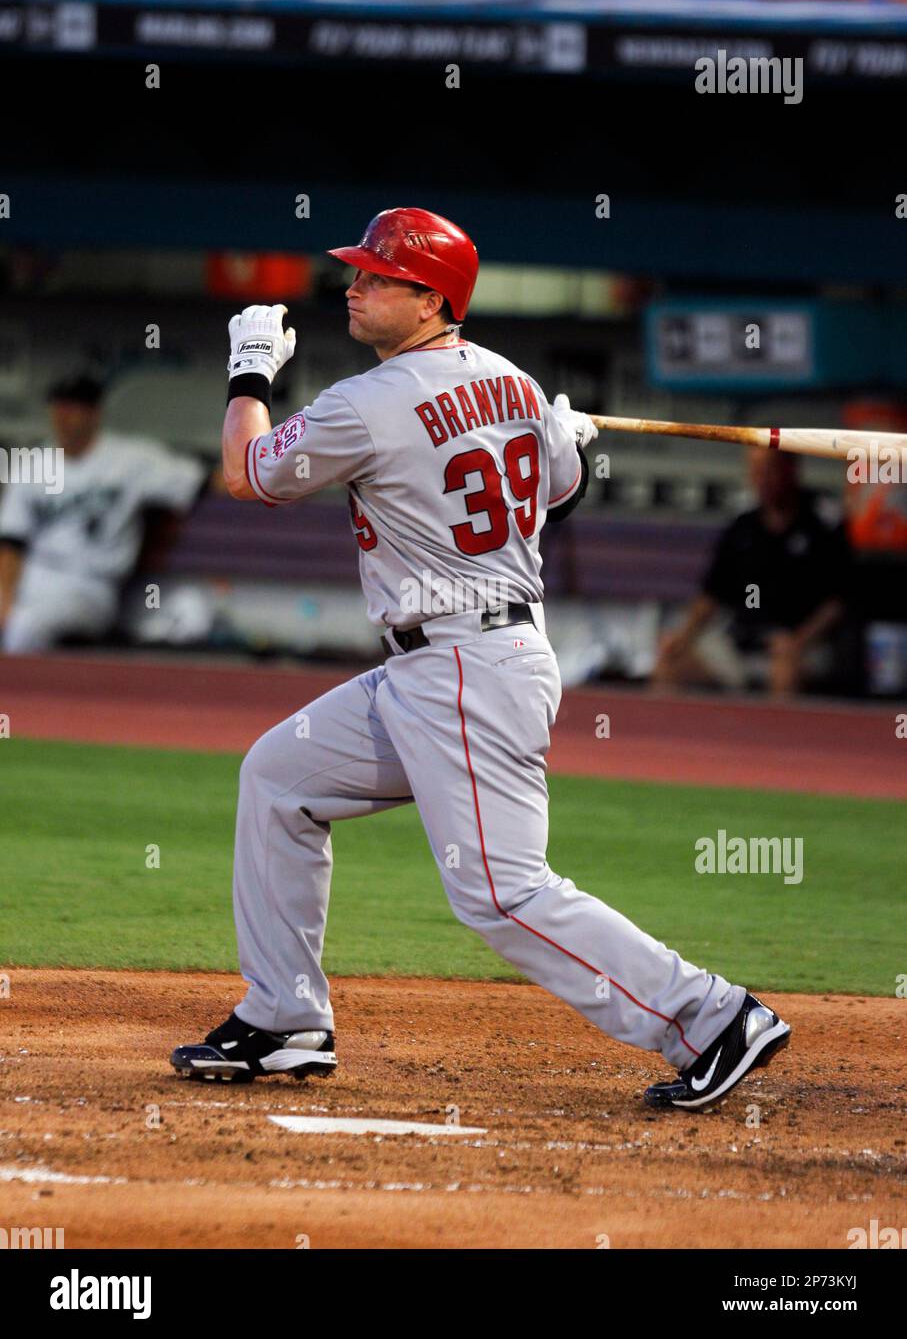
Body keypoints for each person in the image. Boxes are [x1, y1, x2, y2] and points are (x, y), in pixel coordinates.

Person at [171, 207, 791, 1110]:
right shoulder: (515, 384)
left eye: (378, 277)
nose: (355, 286)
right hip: (454, 661)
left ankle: (709, 1015)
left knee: (499, 893)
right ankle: (283, 1018)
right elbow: (554, 498)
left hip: (462, 668)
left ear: (431, 299)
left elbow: (246, 471)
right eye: (360, 271)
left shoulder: (367, 402)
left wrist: (249, 369)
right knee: (278, 777)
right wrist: (563, 438)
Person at [0, 375, 213, 653]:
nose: (63, 415)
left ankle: (19, 698)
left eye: (72, 407)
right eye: (58, 406)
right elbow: (12, 542)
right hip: (34, 576)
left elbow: (201, 480)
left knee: (26, 626)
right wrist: (4, 597)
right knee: (19, 621)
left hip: (90, 585)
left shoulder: (130, 459)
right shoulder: (33, 464)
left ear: (93, 413)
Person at [652, 446, 853, 696]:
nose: (763, 480)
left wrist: (797, 642)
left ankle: (777, 735)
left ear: (791, 469)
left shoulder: (823, 522)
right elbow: (712, 595)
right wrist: (683, 638)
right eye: (756, 472)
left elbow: (838, 603)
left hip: (802, 646)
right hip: (741, 644)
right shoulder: (743, 526)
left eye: (770, 470)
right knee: (671, 663)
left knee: (784, 671)